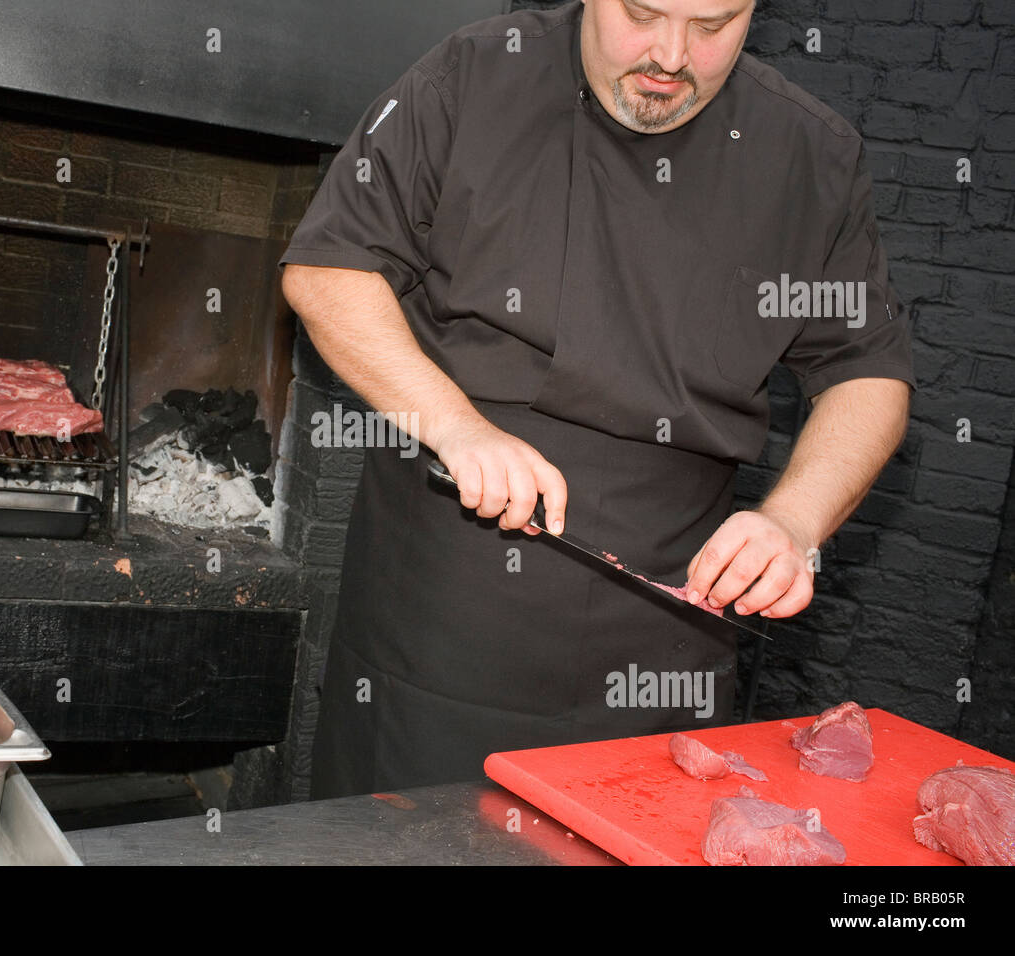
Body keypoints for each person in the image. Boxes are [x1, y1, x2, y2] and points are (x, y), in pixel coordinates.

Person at [278, 0, 914, 799]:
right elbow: (329, 268)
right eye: (643, 13)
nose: (672, 55)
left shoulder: (811, 153)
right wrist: (456, 427)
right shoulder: (473, 74)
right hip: (450, 587)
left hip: (672, 609)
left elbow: (868, 373)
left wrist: (794, 521)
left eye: (714, 25)